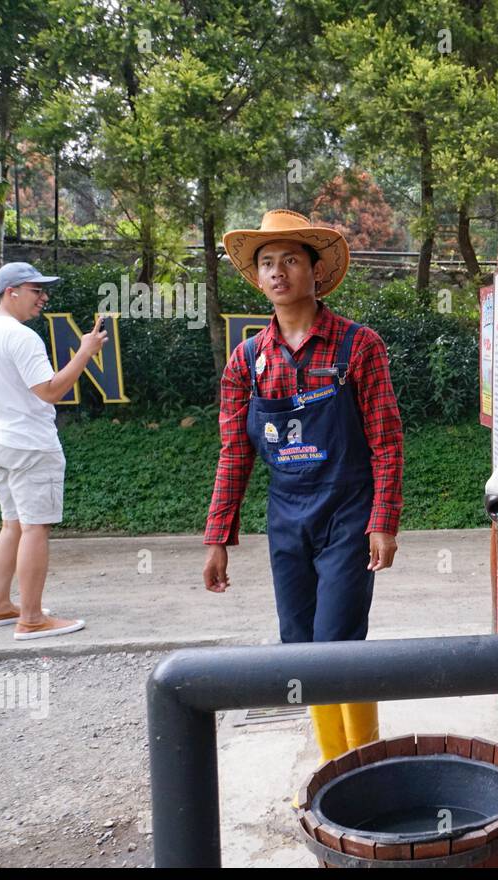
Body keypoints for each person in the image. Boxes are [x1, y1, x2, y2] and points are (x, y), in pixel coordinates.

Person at [202, 209, 403, 763]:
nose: (278, 271)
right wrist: (219, 536)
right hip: (286, 517)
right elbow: (235, 451)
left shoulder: (358, 347)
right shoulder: (247, 361)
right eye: (267, 262)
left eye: (291, 259)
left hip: (347, 512)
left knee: (338, 641)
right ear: (258, 277)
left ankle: (364, 766)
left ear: (316, 272)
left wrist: (382, 521)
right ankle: (329, 769)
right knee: (299, 644)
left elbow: (387, 440)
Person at [0, 262, 108, 639]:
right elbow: (49, 391)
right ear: (11, 291)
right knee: (34, 528)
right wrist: (86, 351)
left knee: (12, 523)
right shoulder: (21, 337)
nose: (43, 297)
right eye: (36, 290)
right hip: (29, 443)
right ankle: (31, 618)